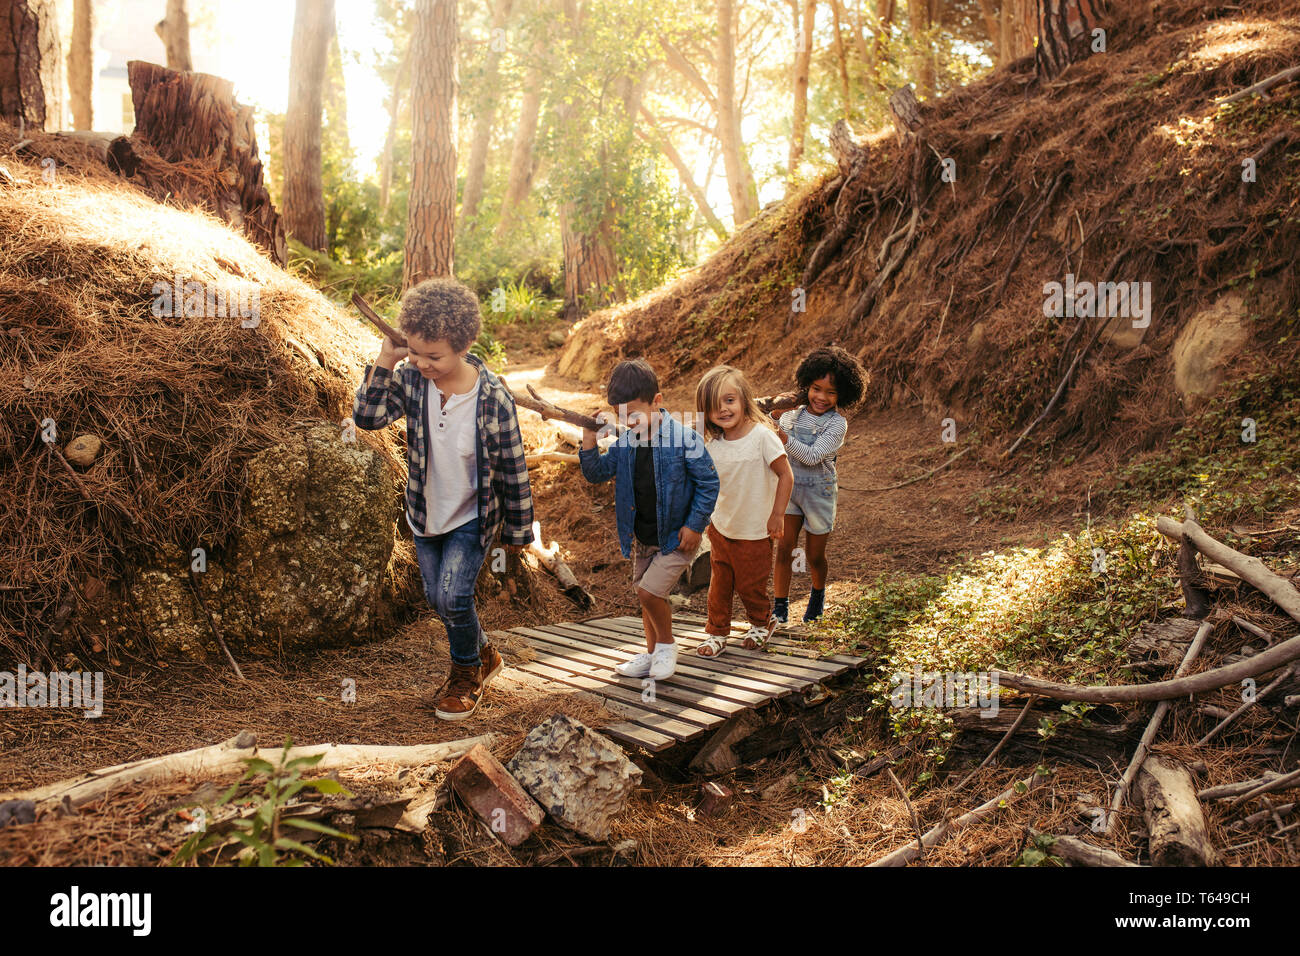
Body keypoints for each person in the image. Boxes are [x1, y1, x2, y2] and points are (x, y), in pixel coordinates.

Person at [352, 277, 533, 720]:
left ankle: (465, 675)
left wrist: (518, 531)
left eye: (434, 356)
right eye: (415, 352)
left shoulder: (492, 399)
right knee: (438, 597)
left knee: (453, 597)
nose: (423, 362)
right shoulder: (413, 381)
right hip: (425, 511)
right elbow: (367, 416)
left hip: (473, 516)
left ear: (463, 345)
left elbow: (513, 466)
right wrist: (387, 360)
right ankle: (485, 652)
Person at [579, 358, 718, 681]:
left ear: (657, 401)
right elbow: (596, 472)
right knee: (646, 595)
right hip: (642, 539)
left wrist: (695, 525)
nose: (628, 421)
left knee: (649, 593)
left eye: (634, 413)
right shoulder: (625, 443)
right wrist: (589, 437)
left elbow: (708, 483)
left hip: (677, 537)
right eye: (621, 415)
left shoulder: (684, 439)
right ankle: (652, 652)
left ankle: (667, 646)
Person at [693, 365, 793, 657]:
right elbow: (707, 485)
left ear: (744, 399)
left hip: (755, 529)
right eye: (713, 406)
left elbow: (786, 475)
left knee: (751, 585)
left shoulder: (762, 436)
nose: (723, 410)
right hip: (722, 528)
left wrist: (777, 515)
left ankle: (762, 622)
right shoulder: (713, 446)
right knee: (719, 585)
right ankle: (716, 632)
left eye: (729, 400)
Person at [773, 346, 866, 623]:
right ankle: (780, 606)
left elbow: (812, 456)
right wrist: (775, 413)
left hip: (819, 492)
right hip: (789, 487)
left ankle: (817, 594)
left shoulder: (837, 425)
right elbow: (768, 429)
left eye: (831, 392)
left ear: (843, 395)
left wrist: (781, 434)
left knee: (814, 555)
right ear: (806, 386)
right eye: (816, 388)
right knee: (784, 548)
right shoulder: (791, 415)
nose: (821, 397)